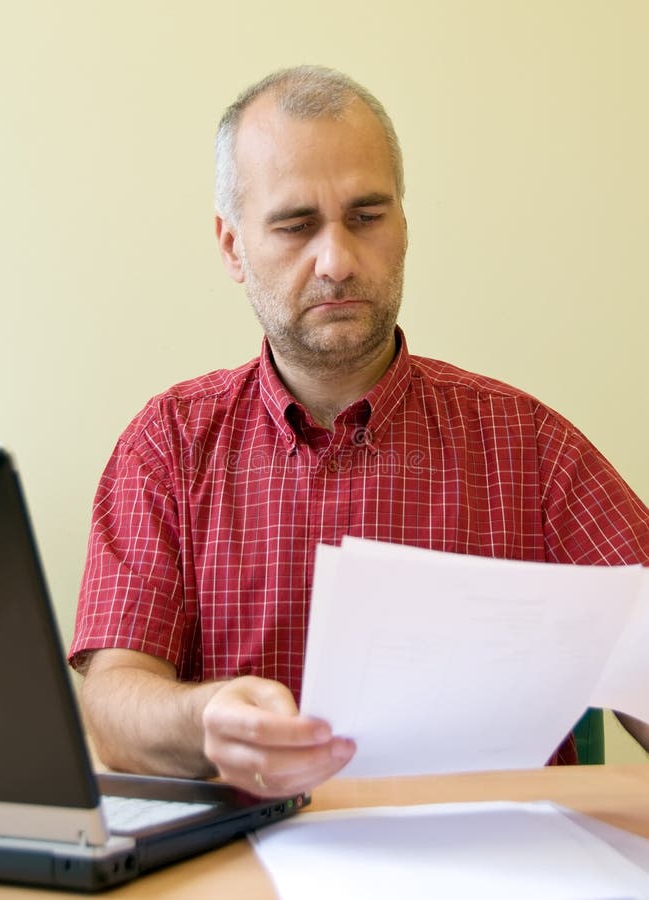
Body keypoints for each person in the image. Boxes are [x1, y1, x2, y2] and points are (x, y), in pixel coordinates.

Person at [70, 65, 649, 798]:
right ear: (230, 246)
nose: (337, 261)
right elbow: (114, 707)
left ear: (403, 226)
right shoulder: (169, 444)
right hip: (249, 864)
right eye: (294, 224)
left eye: (366, 216)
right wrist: (201, 717)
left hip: (494, 864)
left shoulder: (528, 445)